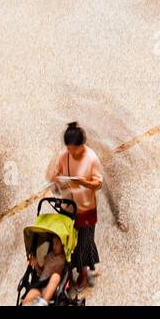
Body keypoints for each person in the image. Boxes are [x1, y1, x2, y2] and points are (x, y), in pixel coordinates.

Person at [47, 122, 102, 287]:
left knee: (84, 241)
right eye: (69, 149)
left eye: (74, 149)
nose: (71, 152)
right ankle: (67, 270)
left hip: (86, 207)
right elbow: (55, 172)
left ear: (82, 145)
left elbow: (98, 183)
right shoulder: (64, 154)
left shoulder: (92, 158)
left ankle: (84, 272)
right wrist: (56, 177)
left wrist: (85, 183)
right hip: (68, 205)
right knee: (68, 239)